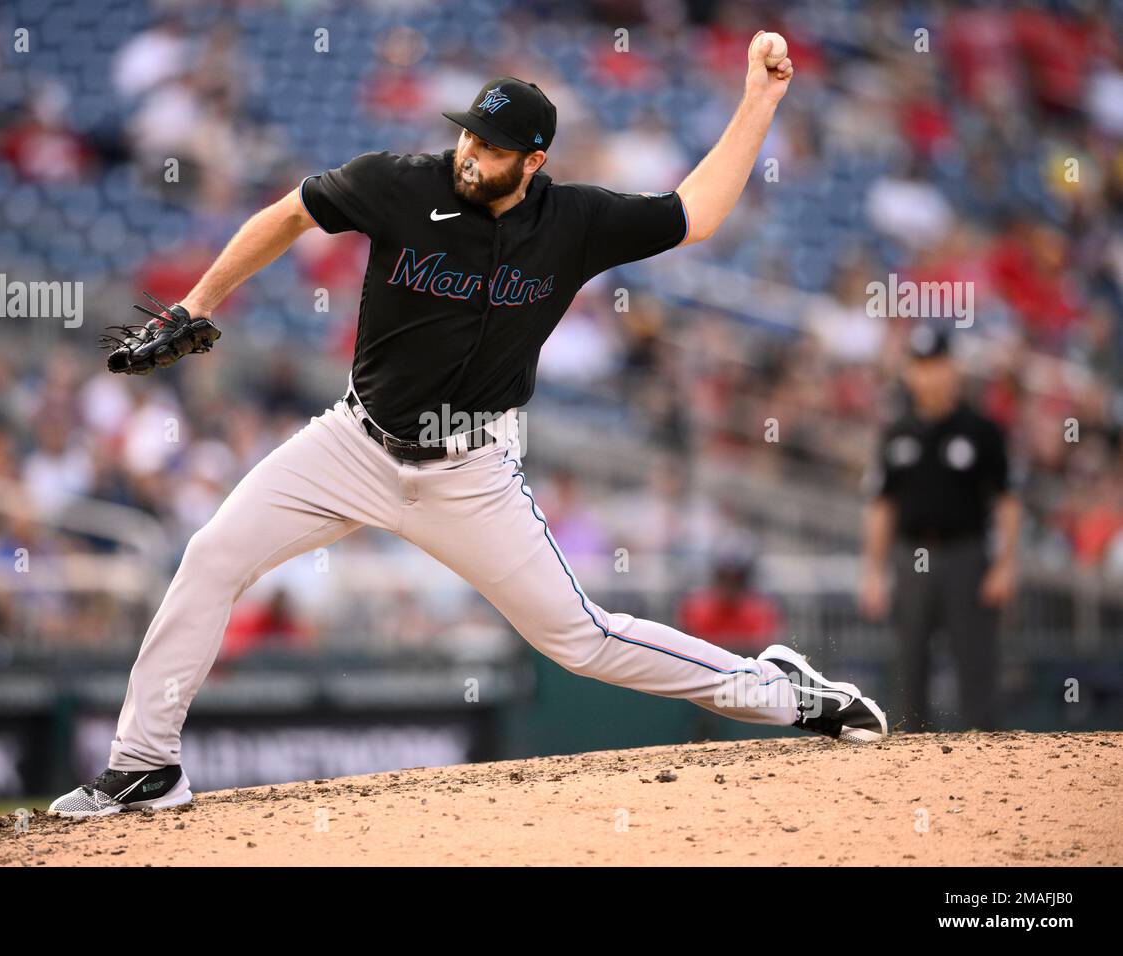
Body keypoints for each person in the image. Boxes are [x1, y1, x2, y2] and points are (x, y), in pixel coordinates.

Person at [51, 35, 889, 819]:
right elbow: (291, 213)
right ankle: (146, 765)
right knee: (210, 557)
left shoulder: (573, 221)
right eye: (466, 137)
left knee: (582, 641)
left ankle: (785, 691)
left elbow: (696, 213)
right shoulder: (398, 182)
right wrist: (200, 302)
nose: (468, 154)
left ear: (533, 160)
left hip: (470, 469)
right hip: (353, 442)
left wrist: (758, 100)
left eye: (490, 147)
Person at [860, 325, 1020, 733]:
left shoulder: (982, 431)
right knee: (908, 660)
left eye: (936, 365)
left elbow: (1006, 500)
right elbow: (882, 506)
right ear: (908, 372)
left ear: (953, 369)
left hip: (966, 555)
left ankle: (988, 755)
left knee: (976, 660)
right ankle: (911, 755)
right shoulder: (895, 433)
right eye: (920, 366)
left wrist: (1005, 564)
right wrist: (874, 572)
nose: (928, 375)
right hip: (911, 555)